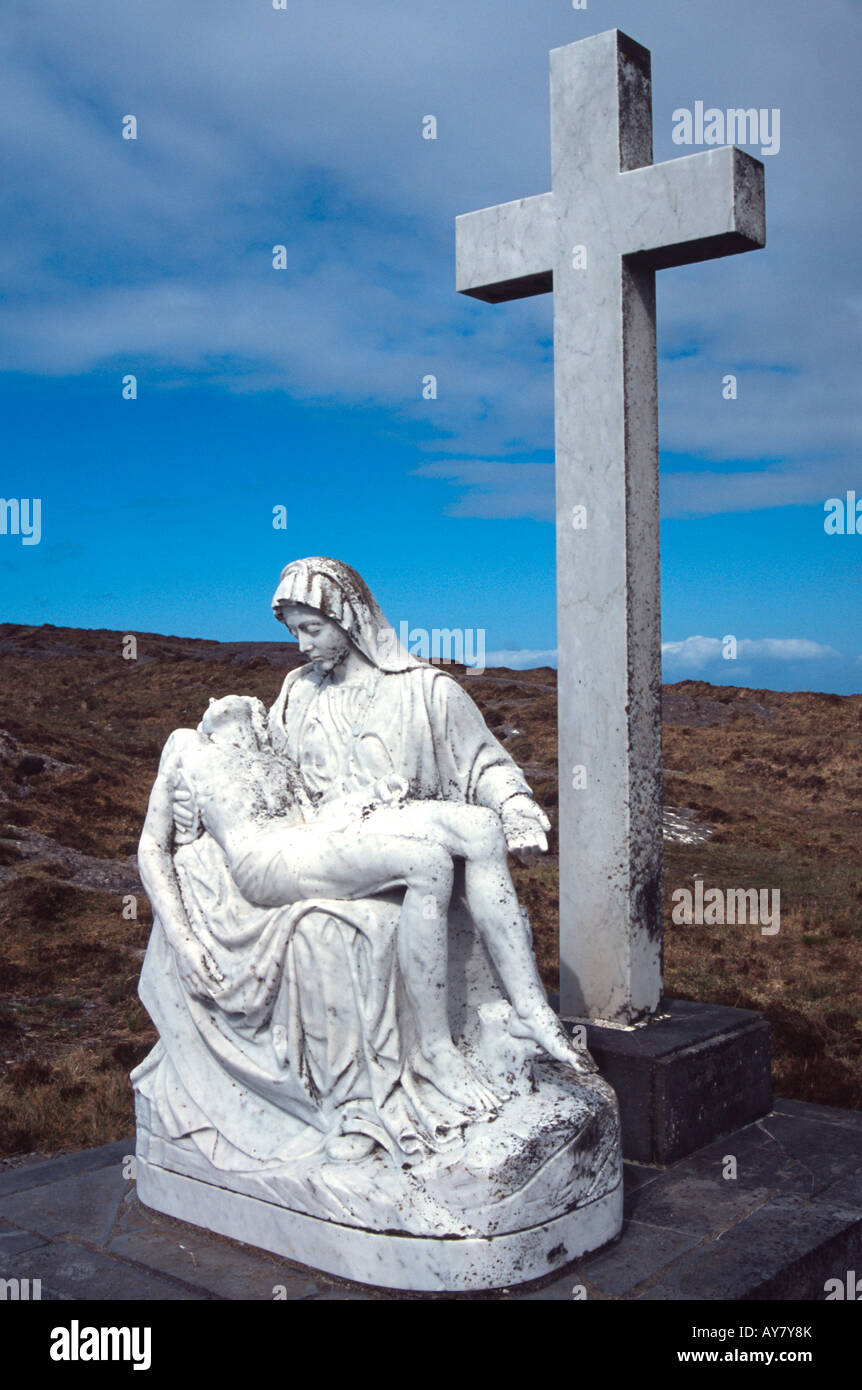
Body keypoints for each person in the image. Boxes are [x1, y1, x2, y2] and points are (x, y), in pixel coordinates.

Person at [141, 694, 595, 1119]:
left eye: (250, 703)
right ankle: (436, 1052)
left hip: (309, 841)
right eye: (220, 702)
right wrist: (184, 942)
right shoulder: (187, 744)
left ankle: (528, 1009)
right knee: (425, 863)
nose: (227, 698)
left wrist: (370, 799)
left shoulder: (274, 758)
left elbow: (318, 817)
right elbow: (152, 847)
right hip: (266, 861)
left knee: (466, 838)